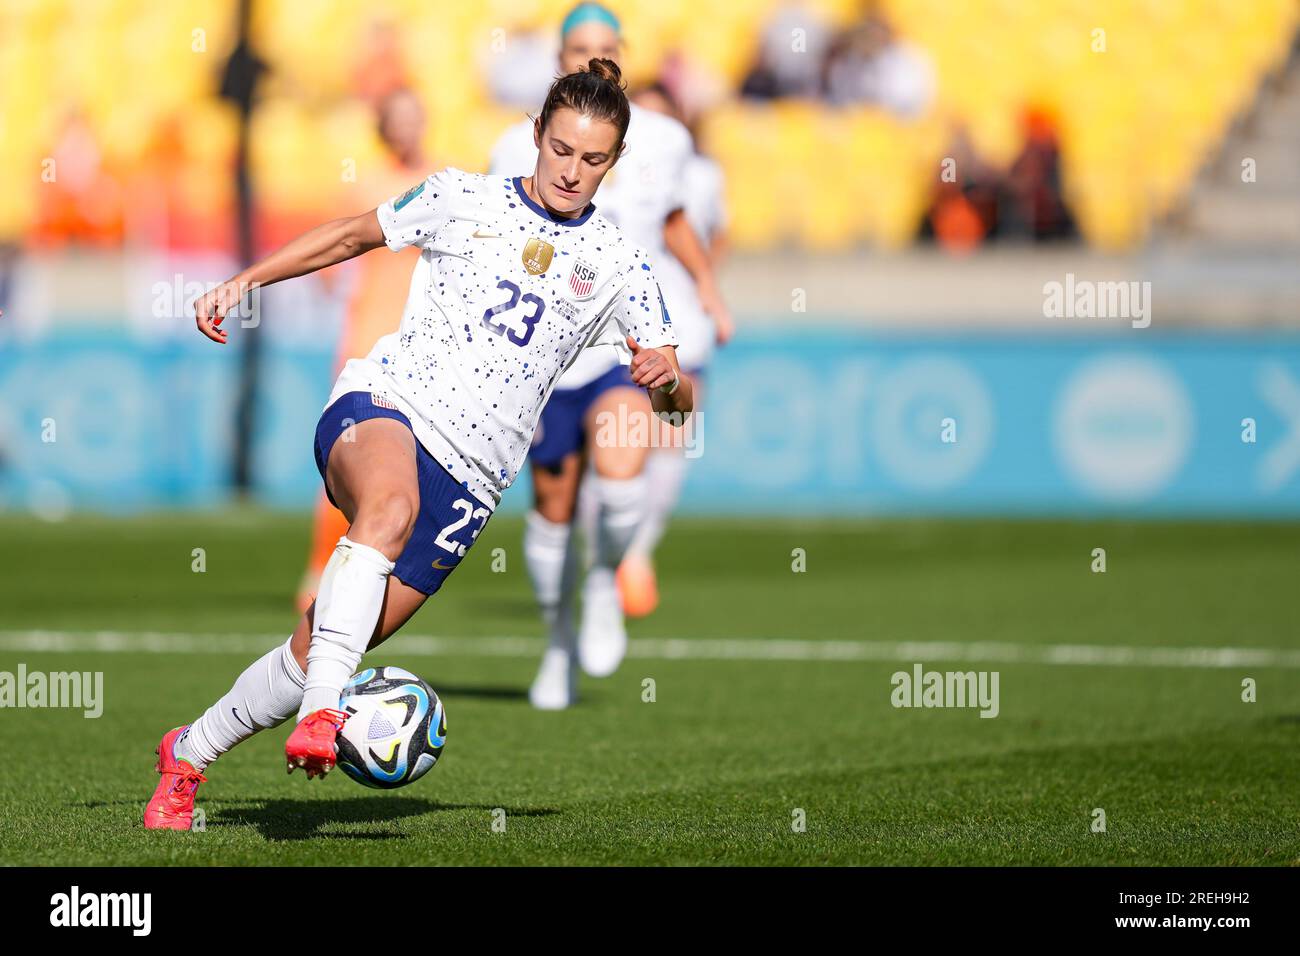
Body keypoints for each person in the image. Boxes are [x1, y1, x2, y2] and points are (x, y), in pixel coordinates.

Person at [143, 58, 693, 830]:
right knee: (388, 506)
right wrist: (247, 281)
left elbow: (676, 408)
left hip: (470, 484)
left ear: (616, 161)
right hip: (386, 406)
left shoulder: (620, 265)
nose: (572, 170)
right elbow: (349, 236)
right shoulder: (458, 196)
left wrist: (666, 378)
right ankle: (327, 716)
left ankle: (189, 754)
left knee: (315, 648)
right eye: (561, 149)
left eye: (594, 159)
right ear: (536, 135)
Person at [489, 1, 730, 710]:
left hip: (622, 346)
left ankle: (605, 581)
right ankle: (557, 642)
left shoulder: (663, 139)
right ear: (557, 59)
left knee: (624, 473)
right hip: (546, 354)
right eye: (576, 47)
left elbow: (678, 220)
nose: (590, 56)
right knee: (552, 507)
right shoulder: (515, 143)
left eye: (603, 46)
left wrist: (708, 287)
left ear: (621, 52)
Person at [297, 86, 432, 612]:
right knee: (355, 453)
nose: (407, 128)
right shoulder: (368, 184)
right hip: (367, 338)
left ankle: (376, 568)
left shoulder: (440, 184)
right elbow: (332, 253)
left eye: (413, 117)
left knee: (411, 463)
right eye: (397, 118)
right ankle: (319, 568)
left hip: (421, 345)